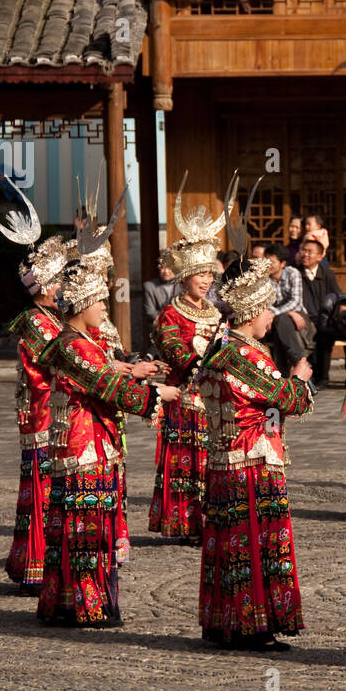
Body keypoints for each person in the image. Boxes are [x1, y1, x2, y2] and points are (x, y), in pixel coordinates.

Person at [40, 260, 178, 626]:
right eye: (100, 301)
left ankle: (78, 601)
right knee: (85, 525)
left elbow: (108, 372)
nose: (105, 307)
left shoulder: (83, 343)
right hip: (82, 445)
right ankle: (85, 604)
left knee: (89, 522)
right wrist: (158, 395)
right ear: (83, 303)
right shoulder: (73, 347)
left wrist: (134, 371)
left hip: (95, 442)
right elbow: (106, 386)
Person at [198, 257, 314, 651]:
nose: (271, 316)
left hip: (227, 460)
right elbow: (285, 399)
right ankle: (251, 624)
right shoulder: (244, 355)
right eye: (266, 308)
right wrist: (299, 381)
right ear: (250, 312)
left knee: (231, 542)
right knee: (252, 542)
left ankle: (228, 620)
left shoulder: (224, 346)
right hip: (250, 461)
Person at [0, 183, 70, 594]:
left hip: (55, 416)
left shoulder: (55, 320)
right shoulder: (36, 322)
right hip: (43, 416)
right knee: (42, 489)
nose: (65, 287)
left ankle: (44, 561)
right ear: (45, 286)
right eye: (60, 280)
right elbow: (48, 367)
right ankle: (35, 564)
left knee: (50, 489)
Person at [149, 195, 230, 541]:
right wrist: (204, 361)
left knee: (212, 458)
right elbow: (175, 350)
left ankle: (211, 518)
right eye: (199, 274)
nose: (206, 280)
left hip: (214, 397)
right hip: (185, 396)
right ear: (184, 276)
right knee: (188, 460)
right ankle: (185, 521)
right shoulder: (170, 314)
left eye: (209, 273)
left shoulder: (215, 313)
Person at [296, 237, 341, 386]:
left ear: (320, 256)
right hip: (304, 318)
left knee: (324, 334)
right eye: (303, 251)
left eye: (310, 252)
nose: (305, 254)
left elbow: (337, 296)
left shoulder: (327, 274)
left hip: (323, 319)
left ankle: (322, 378)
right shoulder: (295, 273)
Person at [265, 241, 312, 372]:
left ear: (282, 264)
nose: (268, 265)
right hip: (275, 318)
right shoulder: (263, 278)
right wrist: (276, 314)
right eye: (266, 261)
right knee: (280, 323)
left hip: (298, 315)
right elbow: (265, 303)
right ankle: (300, 362)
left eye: (272, 262)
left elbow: (296, 302)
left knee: (281, 321)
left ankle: (287, 369)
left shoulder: (293, 273)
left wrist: (276, 313)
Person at [142, 248, 180, 349]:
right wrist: (165, 320)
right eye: (162, 268)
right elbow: (149, 311)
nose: (166, 271)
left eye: (169, 267)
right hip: (159, 325)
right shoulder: (149, 286)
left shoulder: (183, 285)